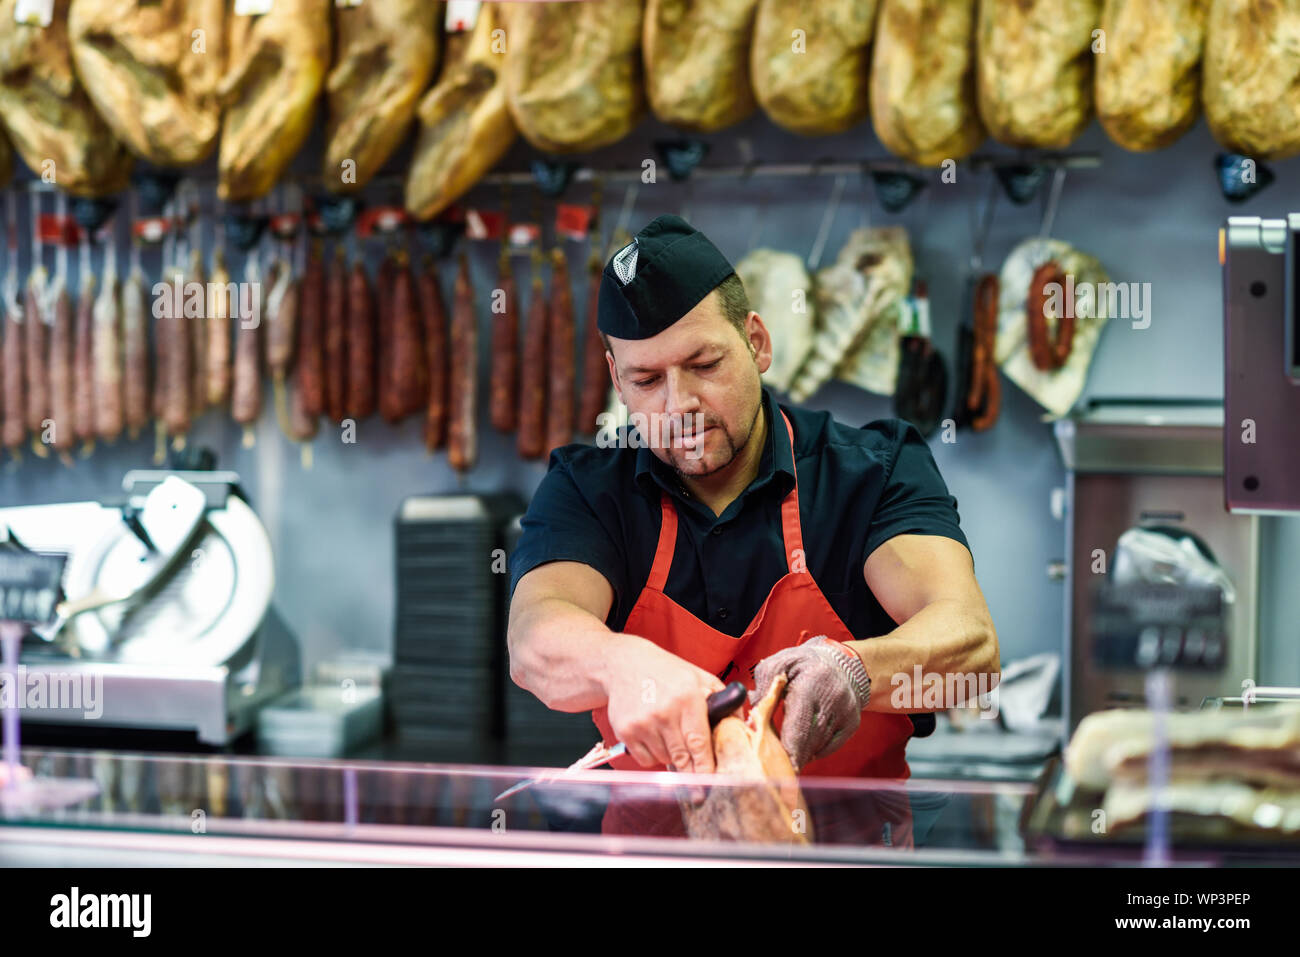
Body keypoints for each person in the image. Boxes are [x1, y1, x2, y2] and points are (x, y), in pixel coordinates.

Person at [508, 214, 999, 844]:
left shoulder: (872, 471)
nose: (677, 404)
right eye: (647, 381)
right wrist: (618, 663)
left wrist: (855, 669)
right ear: (616, 380)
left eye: (704, 363)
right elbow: (534, 639)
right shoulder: (588, 489)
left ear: (756, 343)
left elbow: (972, 650)